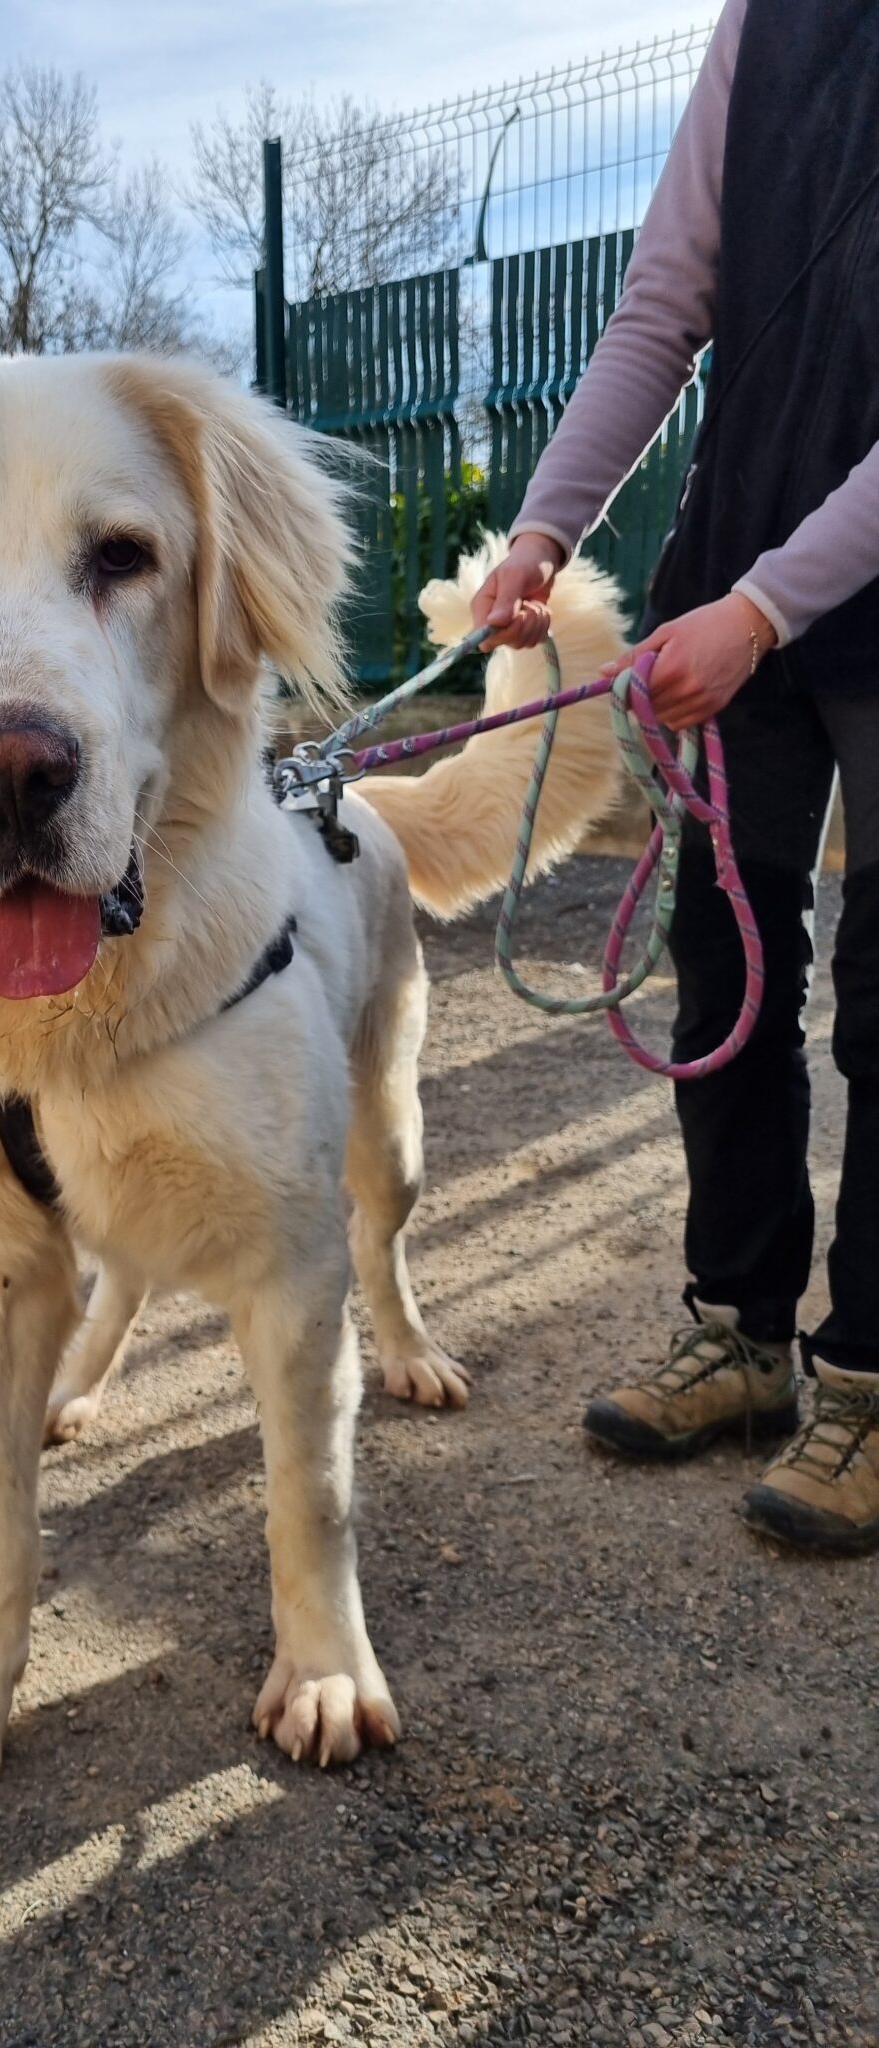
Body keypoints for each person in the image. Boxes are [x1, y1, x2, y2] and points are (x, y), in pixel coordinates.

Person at [473, 0, 879, 1554]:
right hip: (743, 579)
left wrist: (772, 603)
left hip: (807, 595)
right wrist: (543, 531)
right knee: (726, 960)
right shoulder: (767, 23)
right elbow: (664, 305)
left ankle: (871, 1377)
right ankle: (742, 1332)